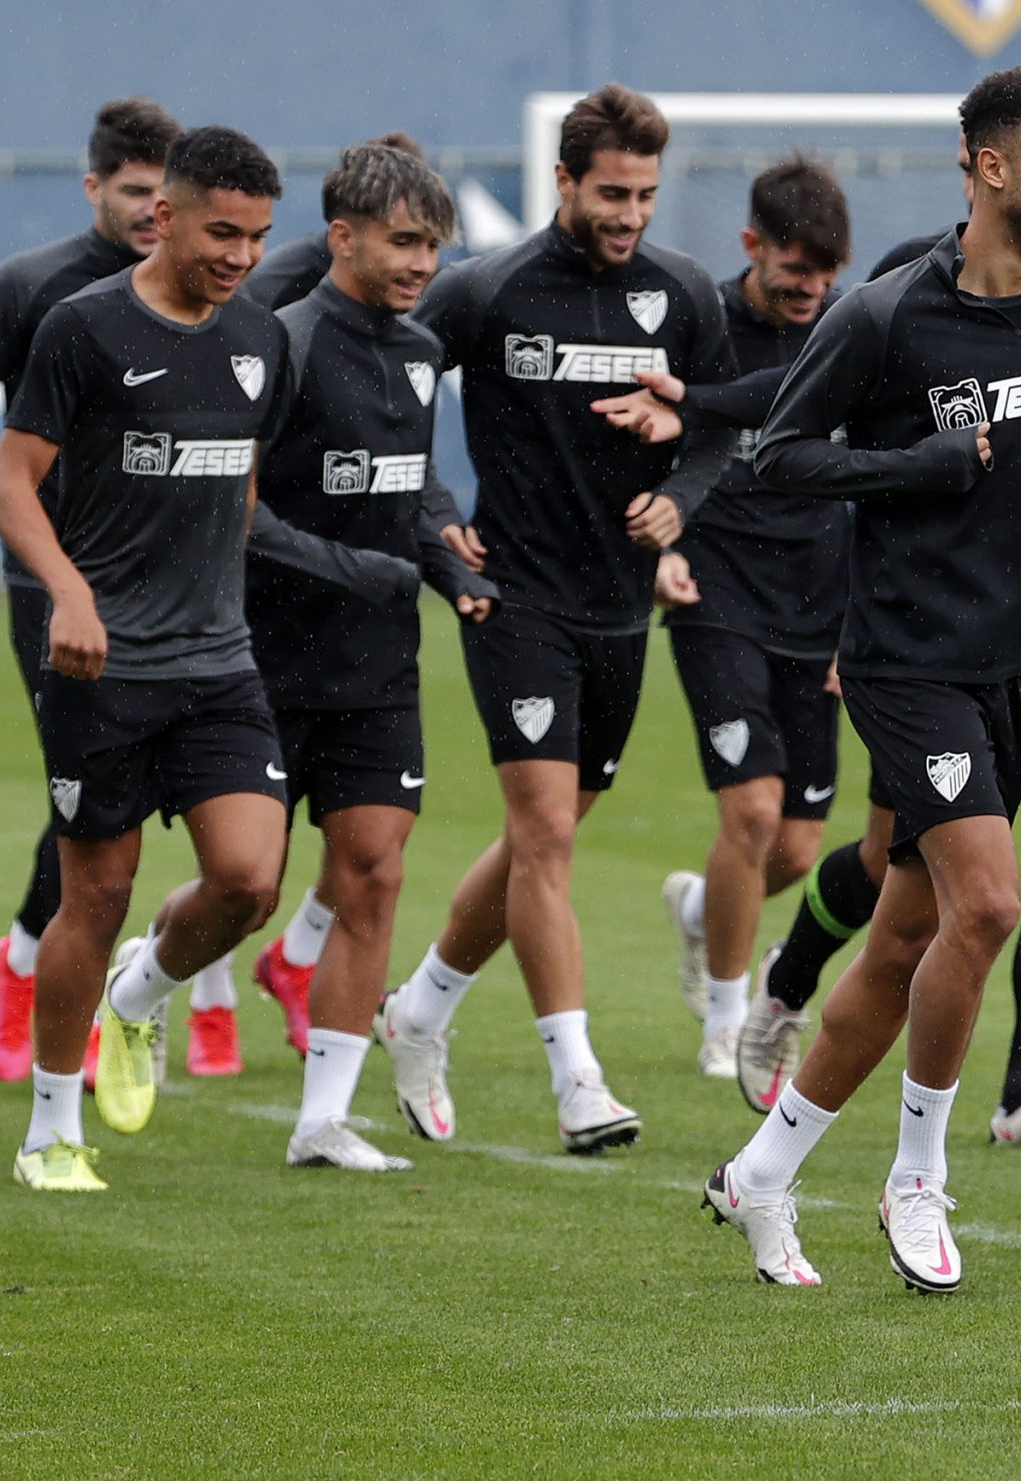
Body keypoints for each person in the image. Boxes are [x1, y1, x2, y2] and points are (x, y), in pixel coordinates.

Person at [701, 66, 1021, 1292]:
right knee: (988, 905)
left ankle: (761, 1172)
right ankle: (918, 1175)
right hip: (905, 660)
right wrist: (918, 463)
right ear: (989, 167)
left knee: (902, 940)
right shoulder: (888, 315)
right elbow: (777, 460)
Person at [375, 83, 733, 1153]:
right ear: (565, 180)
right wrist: (437, 517)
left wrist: (683, 495)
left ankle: (421, 1007)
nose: (629, 215)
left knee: (550, 834)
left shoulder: (684, 295)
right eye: (611, 192)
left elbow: (720, 424)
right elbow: (385, 395)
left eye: (645, 196)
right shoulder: (487, 291)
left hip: (619, 610)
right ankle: (577, 1076)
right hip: (511, 596)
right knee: (541, 835)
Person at [0, 125, 297, 1191]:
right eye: (223, 230)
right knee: (100, 892)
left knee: (250, 880)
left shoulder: (262, 340)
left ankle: (137, 998)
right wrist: (69, 592)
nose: (242, 255)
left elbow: (244, 481)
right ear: (163, 216)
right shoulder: (83, 329)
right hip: (101, 666)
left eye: (258, 236)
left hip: (219, 662)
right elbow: (11, 484)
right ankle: (51, 1131)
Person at [0, 97, 181, 1084]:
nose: (155, 211)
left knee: (130, 783)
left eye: (167, 192)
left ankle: (18, 955)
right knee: (89, 780)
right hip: (49, 574)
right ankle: (24, 968)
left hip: (161, 583)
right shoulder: (28, 287)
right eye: (137, 192)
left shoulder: (194, 291)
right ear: (94, 186)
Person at [239, 144, 496, 1170]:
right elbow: (236, 510)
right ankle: (142, 983)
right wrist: (356, 570)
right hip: (260, 655)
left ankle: (322, 1118)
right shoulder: (279, 344)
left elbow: (413, 481)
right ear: (340, 235)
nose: (422, 261)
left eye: (433, 244)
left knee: (374, 872)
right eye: (403, 240)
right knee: (247, 888)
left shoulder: (427, 351)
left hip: (378, 663)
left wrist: (451, 562)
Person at [620, 156, 854, 1081]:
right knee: (752, 813)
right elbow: (648, 442)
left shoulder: (844, 333)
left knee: (797, 845)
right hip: (716, 591)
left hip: (820, 605)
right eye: (796, 271)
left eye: (826, 276)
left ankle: (697, 914)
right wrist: (663, 549)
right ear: (754, 246)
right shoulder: (702, 324)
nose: (810, 291)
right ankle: (725, 1017)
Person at [243, 133, 430, 311]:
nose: (421, 266)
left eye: (431, 244)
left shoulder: (427, 275)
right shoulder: (277, 288)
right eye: (402, 242)